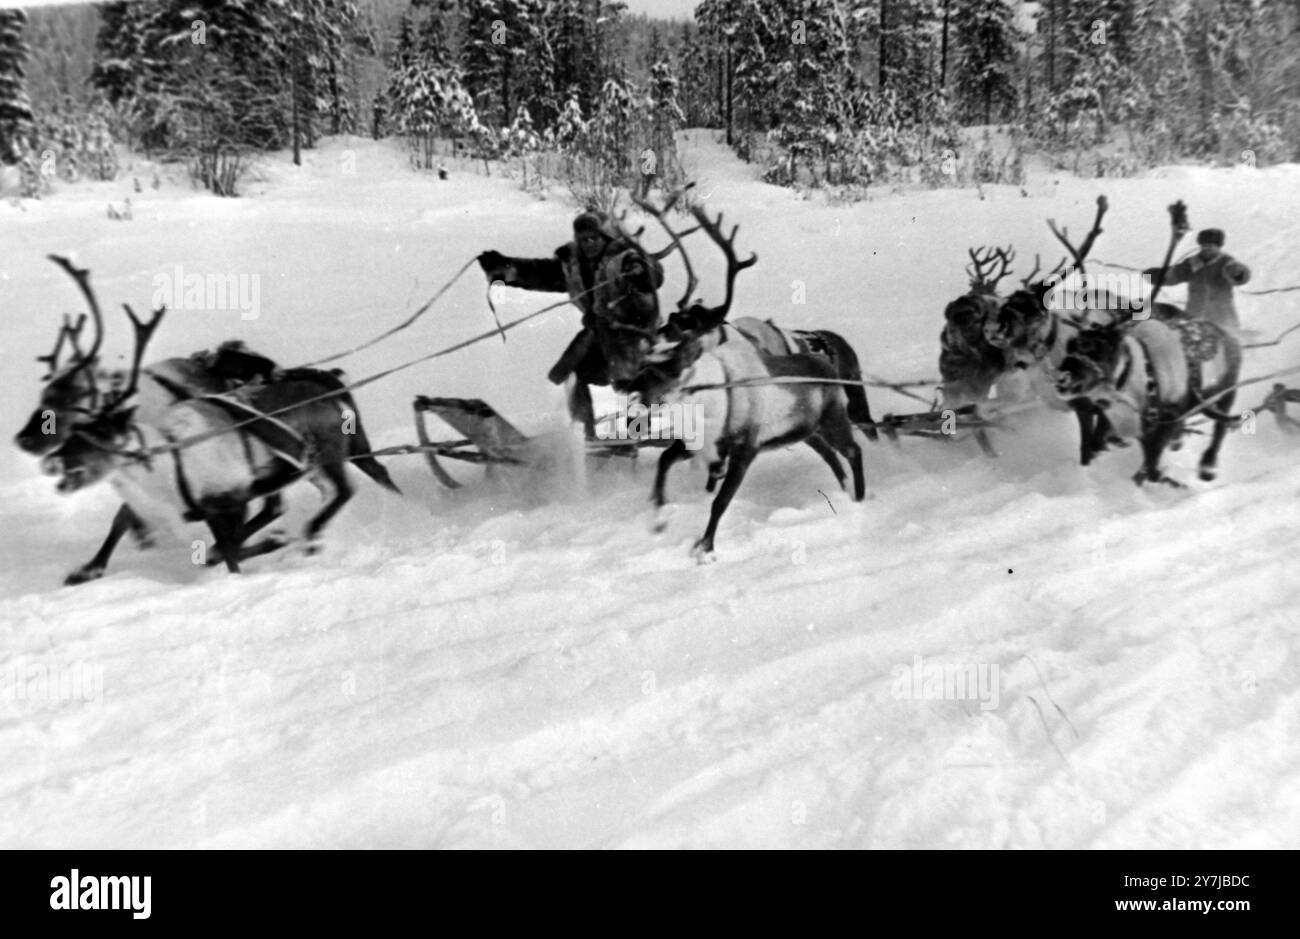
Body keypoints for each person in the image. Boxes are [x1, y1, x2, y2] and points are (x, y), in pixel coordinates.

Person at [477, 211, 664, 434]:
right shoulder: (573, 265)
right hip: (600, 334)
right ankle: (585, 434)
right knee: (575, 374)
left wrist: (640, 272)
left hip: (633, 334)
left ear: (605, 237)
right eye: (583, 240)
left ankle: (637, 432)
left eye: (594, 238)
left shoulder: (623, 257)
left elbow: (654, 273)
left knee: (629, 380)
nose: (589, 244)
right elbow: (541, 273)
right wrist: (504, 267)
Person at [1144, 228, 1251, 330]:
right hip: (1194, 318)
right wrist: (1154, 275)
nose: (1207, 248)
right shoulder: (1192, 263)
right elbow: (1173, 275)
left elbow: (1241, 277)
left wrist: (1239, 273)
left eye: (1212, 245)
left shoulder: (1226, 263)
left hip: (1222, 319)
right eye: (1204, 245)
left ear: (1219, 247)